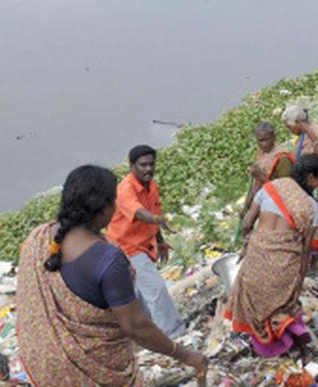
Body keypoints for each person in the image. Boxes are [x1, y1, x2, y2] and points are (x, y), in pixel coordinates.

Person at [18, 165, 209, 385]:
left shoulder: (38, 238)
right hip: (93, 368)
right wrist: (185, 354)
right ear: (104, 208)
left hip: (44, 364)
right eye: (114, 201)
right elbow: (135, 326)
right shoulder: (108, 259)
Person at [226, 154, 318, 357]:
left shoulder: (271, 187)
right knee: (284, 305)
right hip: (283, 267)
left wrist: (249, 244)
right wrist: (299, 280)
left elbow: (246, 224)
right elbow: (306, 250)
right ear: (310, 178)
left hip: (255, 260)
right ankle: (286, 344)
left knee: (258, 301)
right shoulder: (311, 206)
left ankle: (264, 348)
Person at [106, 145, 185, 338]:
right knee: (155, 289)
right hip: (126, 247)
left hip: (143, 244)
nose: (148, 169)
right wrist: (160, 221)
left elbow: (154, 212)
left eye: (151, 164)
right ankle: (174, 333)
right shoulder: (125, 189)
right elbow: (141, 213)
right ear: (132, 166)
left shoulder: (151, 186)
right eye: (143, 165)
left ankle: (148, 333)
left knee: (140, 294)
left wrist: (160, 241)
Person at [283, 105, 318, 251]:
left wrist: (310, 134)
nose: (290, 130)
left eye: (290, 126)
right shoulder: (302, 135)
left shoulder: (316, 132)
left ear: (299, 123)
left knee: (317, 217)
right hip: (306, 181)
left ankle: (317, 248)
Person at [244, 122, 294, 216]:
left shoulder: (282, 158)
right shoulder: (260, 155)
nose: (264, 144)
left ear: (274, 137)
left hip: (277, 208)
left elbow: (285, 191)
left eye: (267, 140)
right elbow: (255, 185)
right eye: (261, 141)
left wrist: (261, 176)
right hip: (260, 202)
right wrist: (247, 206)